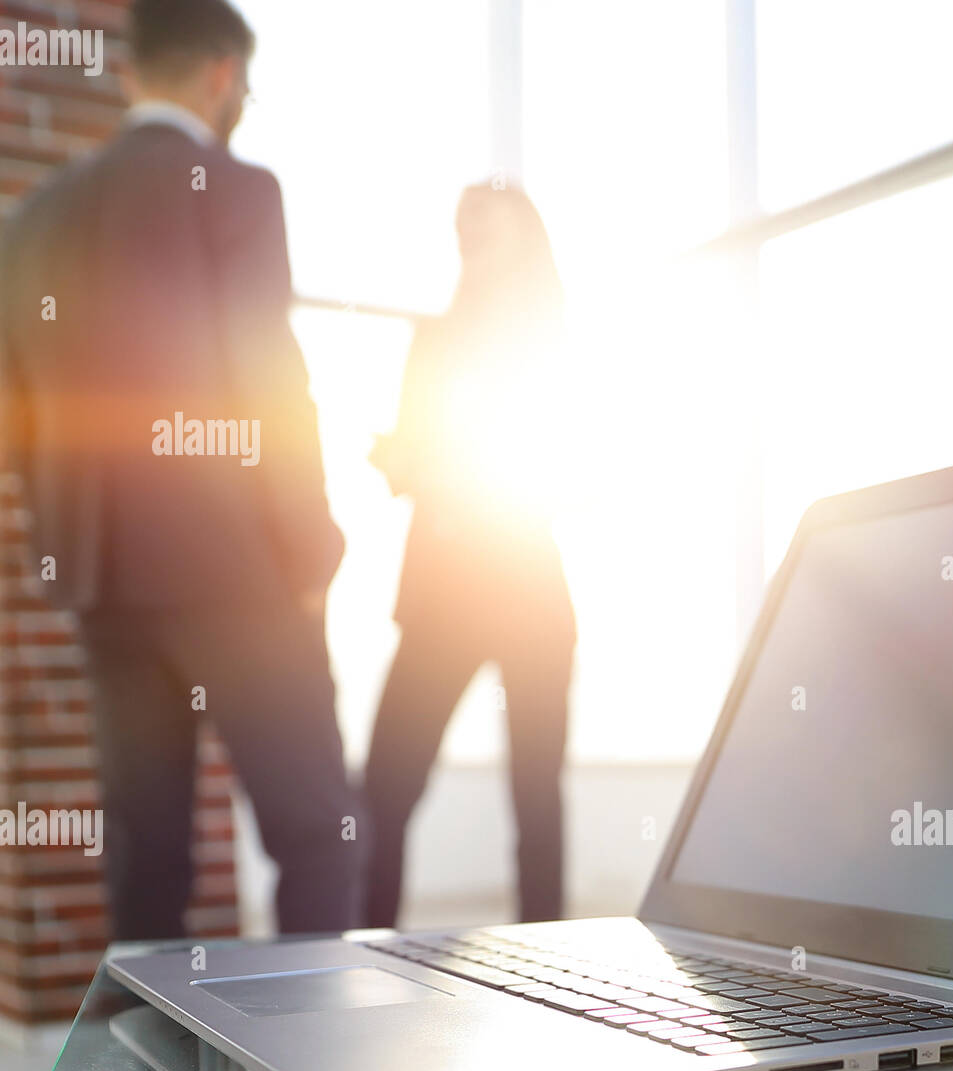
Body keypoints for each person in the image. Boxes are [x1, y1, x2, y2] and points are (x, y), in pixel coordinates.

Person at [0, 0, 366, 939]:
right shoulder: (237, 189)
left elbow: (21, 418)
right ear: (221, 74)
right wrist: (313, 548)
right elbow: (268, 380)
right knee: (316, 835)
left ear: (131, 75)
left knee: (147, 858)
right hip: (237, 567)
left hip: (104, 582)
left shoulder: (36, 218)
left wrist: (66, 556)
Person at [364, 182, 576, 927]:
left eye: (486, 225)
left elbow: (553, 469)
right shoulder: (435, 338)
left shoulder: (553, 339)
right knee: (384, 789)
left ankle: (553, 959)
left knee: (536, 795)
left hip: (528, 593)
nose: (471, 240)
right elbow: (415, 450)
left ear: (525, 235)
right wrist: (405, 462)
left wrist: (435, 466)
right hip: (441, 594)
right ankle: (363, 948)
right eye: (464, 227)